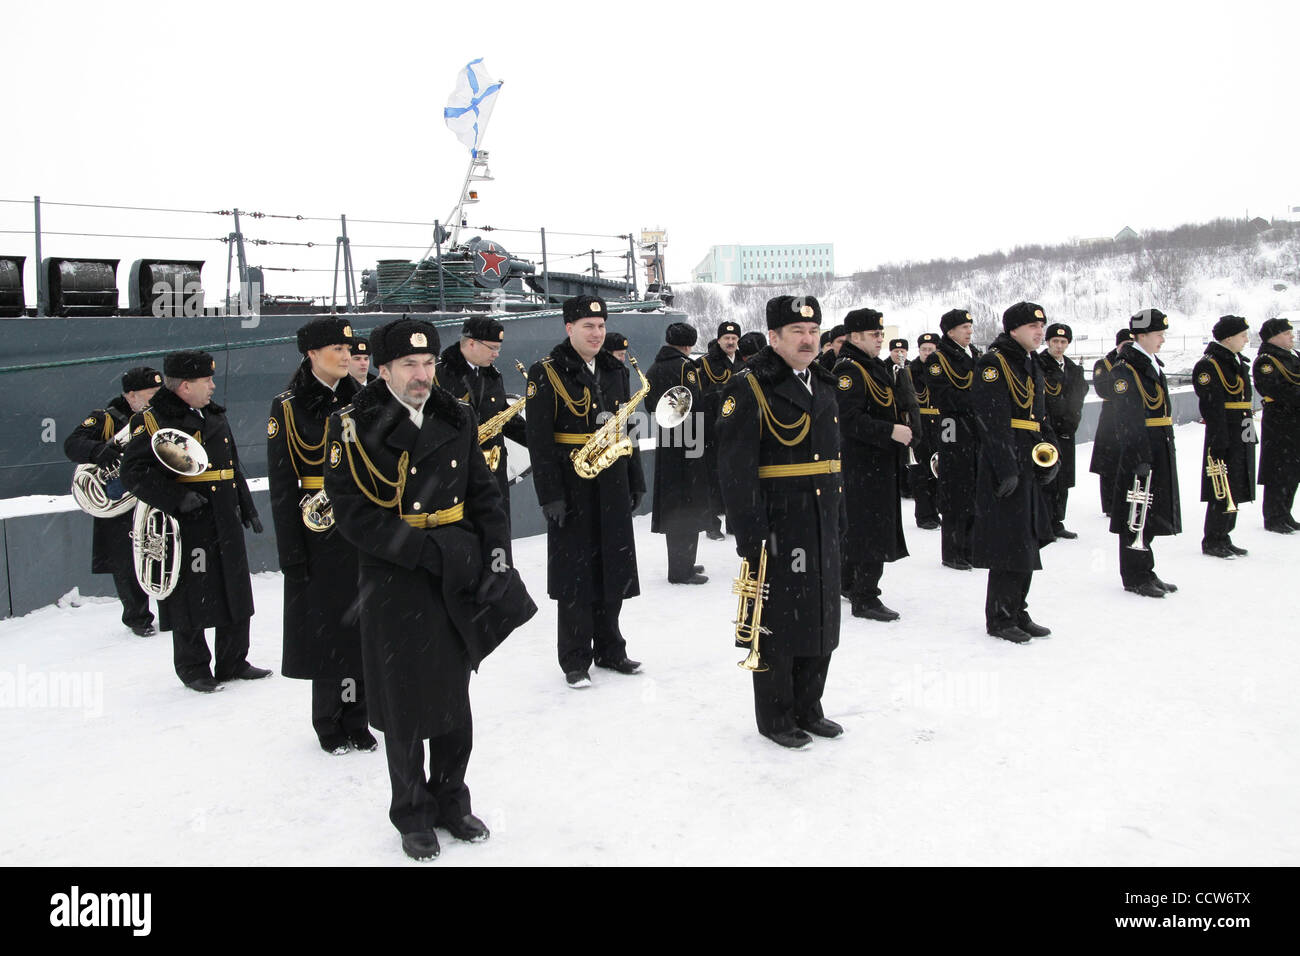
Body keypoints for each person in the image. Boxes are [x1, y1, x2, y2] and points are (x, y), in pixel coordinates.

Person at [324, 317, 534, 861]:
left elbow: (483, 492)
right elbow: (352, 514)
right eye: (409, 366)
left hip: (458, 568)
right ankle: (411, 812)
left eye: (429, 364)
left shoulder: (455, 414)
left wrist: (495, 555)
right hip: (397, 576)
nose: (422, 376)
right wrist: (424, 553)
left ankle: (451, 800)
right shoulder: (351, 424)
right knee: (402, 704)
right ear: (385, 369)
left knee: (453, 693)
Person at [717, 294, 843, 749]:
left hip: (822, 519)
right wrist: (750, 535)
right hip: (779, 523)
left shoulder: (824, 384)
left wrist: (839, 517)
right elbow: (735, 469)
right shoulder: (749, 387)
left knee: (823, 617)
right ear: (774, 337)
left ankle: (810, 707)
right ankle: (777, 717)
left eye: (813, 332)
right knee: (780, 624)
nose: (808, 340)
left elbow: (832, 459)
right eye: (797, 333)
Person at [120, 351, 270, 692]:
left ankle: (234, 661)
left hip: (224, 516)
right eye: (207, 381)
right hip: (189, 522)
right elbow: (133, 472)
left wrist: (248, 509)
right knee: (192, 597)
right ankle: (193, 667)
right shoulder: (153, 420)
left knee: (234, 590)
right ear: (185, 386)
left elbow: (232, 468)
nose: (213, 386)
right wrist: (176, 499)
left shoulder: (214, 415)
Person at [526, 295, 646, 688]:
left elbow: (628, 429)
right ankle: (575, 658)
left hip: (611, 480)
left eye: (600, 326)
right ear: (568, 329)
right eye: (587, 327)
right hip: (571, 485)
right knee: (576, 576)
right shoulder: (545, 373)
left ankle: (611, 649)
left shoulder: (616, 369)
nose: (597, 334)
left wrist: (635, 479)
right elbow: (539, 441)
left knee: (613, 568)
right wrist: (550, 496)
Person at [267, 318, 370, 755]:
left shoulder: (364, 401)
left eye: (349, 350)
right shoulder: (289, 407)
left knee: (362, 626)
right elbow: (283, 482)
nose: (347, 356)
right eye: (336, 349)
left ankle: (358, 716)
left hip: (361, 528)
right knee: (328, 629)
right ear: (310, 354)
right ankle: (328, 720)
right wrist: (291, 551)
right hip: (317, 533)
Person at [970, 302, 1057, 642]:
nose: (1040, 331)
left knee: (1027, 540)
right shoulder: (995, 362)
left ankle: (1018, 609)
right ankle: (1001, 617)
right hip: (1005, 461)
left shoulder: (1030, 361)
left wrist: (1052, 456)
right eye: (1033, 326)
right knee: (1009, 543)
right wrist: (1006, 468)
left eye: (1042, 325)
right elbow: (991, 421)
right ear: (1013, 329)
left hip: (1029, 457)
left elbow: (1040, 415)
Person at [64, 366, 163, 637]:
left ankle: (171, 614)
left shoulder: (163, 416)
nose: (157, 397)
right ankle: (137, 618)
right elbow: (72, 444)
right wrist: (99, 451)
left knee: (163, 553)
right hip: (119, 501)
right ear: (130, 396)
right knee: (126, 562)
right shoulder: (107, 419)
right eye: (150, 393)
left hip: (154, 496)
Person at [833, 308, 910, 621]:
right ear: (854, 337)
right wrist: (889, 430)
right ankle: (865, 595)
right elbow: (848, 420)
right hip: (862, 463)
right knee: (869, 529)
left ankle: (851, 584)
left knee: (864, 528)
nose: (880, 339)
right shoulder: (849, 370)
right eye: (873, 335)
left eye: (881, 334)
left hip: (876, 460)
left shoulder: (871, 366)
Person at [1108, 308, 1181, 597]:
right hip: (1140, 448)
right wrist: (1139, 457)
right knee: (1135, 511)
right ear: (1142, 335)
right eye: (1158, 334)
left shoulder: (1149, 363)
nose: (1162, 339)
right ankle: (1135, 575)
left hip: (1157, 443)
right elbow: (1126, 418)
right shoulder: (1125, 369)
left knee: (1149, 511)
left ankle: (1146, 570)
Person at [436, 316, 529, 524]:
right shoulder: (439, 375)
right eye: (492, 348)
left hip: (494, 474)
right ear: (471, 343)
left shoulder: (492, 375)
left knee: (497, 530)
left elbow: (504, 417)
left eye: (499, 349)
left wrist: (538, 440)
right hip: (459, 475)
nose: (496, 354)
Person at [646, 322, 711, 584]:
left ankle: (683, 564)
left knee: (675, 505)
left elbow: (650, 403)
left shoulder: (654, 367)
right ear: (688, 344)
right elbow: (693, 402)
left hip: (667, 442)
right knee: (689, 504)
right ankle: (681, 570)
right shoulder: (686, 367)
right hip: (688, 442)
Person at [1192, 315, 1257, 558]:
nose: (1246, 340)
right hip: (1225, 431)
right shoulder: (1210, 364)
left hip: (1240, 429)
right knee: (1222, 486)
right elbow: (1212, 405)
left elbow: (1245, 402)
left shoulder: (1236, 361)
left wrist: (1249, 433)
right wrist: (1219, 439)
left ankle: (1225, 535)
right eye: (1242, 335)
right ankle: (1213, 538)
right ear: (1228, 338)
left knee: (1237, 484)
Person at [925, 309, 982, 570]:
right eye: (963, 327)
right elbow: (943, 396)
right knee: (955, 491)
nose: (969, 331)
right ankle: (953, 551)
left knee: (974, 491)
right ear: (950, 332)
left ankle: (971, 547)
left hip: (977, 431)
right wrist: (980, 402)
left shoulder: (976, 355)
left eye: (970, 326)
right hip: (954, 430)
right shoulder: (939, 359)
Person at [1035, 322, 1087, 538]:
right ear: (1047, 342)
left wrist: (1071, 423)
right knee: (1046, 477)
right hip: (1047, 431)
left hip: (1066, 431)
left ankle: (1057, 521)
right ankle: (1043, 522)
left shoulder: (1073, 369)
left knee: (1063, 479)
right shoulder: (1038, 364)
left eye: (1063, 342)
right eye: (1055, 341)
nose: (1059, 346)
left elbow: (1078, 398)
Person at [1252, 317, 1300, 532]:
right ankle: (1274, 517)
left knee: (1293, 470)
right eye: (1287, 333)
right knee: (1279, 470)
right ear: (1274, 337)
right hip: (1281, 421)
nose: (1292, 336)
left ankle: (1285, 513)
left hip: (1295, 421)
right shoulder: (1266, 361)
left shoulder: (1293, 356)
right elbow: (1277, 390)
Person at [698, 321, 742, 540]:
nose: (731, 342)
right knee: (713, 480)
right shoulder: (705, 364)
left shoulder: (743, 363)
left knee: (735, 478)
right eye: (727, 338)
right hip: (713, 431)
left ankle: (733, 523)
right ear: (719, 340)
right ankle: (712, 524)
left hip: (737, 430)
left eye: (734, 339)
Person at [1089, 329, 1133, 517]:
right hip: (1110, 420)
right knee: (1108, 464)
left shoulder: (1137, 363)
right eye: (1125, 345)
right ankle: (1109, 505)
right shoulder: (1104, 364)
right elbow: (1103, 389)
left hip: (1131, 419)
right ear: (1118, 345)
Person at [909, 333, 942, 530]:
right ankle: (924, 514)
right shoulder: (910, 371)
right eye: (924, 349)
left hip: (939, 424)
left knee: (940, 470)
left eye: (931, 350)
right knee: (920, 473)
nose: (928, 353)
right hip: (919, 424)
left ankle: (938, 509)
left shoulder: (941, 370)